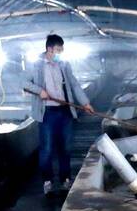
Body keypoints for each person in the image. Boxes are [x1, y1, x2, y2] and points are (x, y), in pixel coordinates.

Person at [25, 34, 96, 192]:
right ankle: (47, 181)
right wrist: (39, 91)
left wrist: (85, 103)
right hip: (47, 113)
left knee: (66, 147)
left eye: (61, 50)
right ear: (49, 49)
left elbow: (74, 84)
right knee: (47, 149)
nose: (60, 53)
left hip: (64, 112)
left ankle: (65, 179)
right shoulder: (36, 65)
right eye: (58, 50)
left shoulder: (64, 64)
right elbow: (23, 83)